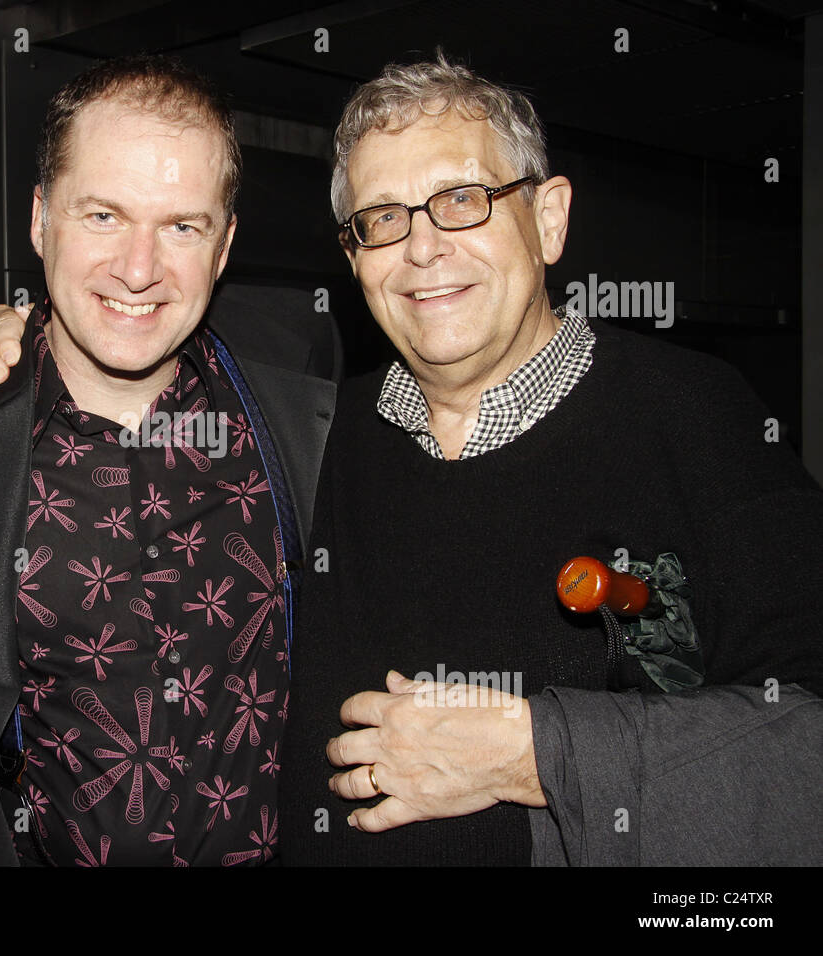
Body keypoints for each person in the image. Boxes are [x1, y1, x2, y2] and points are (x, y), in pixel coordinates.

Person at [278, 55, 823, 865]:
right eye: (382, 217)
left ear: (550, 219)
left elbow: (804, 736)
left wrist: (535, 753)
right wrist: (22, 350)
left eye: (462, 200)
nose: (423, 248)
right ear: (354, 255)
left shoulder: (696, 413)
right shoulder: (317, 429)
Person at [0, 54, 339, 865]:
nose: (140, 270)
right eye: (104, 216)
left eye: (182, 226)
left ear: (223, 247)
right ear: (41, 220)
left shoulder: (306, 394)